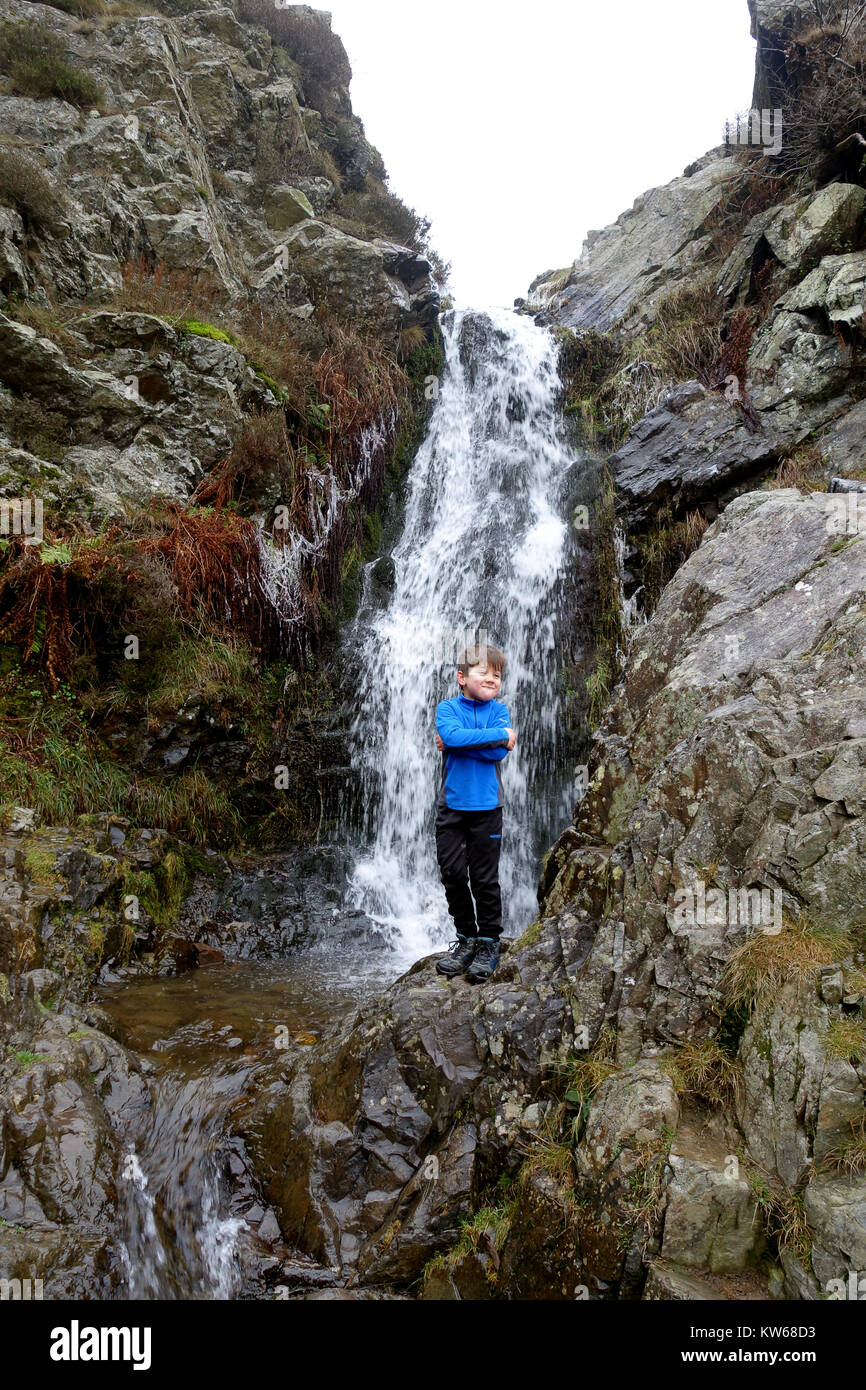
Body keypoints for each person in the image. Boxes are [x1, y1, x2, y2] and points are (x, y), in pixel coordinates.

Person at [433, 642, 516, 983]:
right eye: (483, 673)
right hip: (451, 806)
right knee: (452, 873)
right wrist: (501, 737)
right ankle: (465, 938)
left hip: (487, 808)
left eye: (497, 675)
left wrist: (462, 743)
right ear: (461, 677)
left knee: (484, 878)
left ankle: (488, 942)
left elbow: (495, 757)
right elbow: (450, 736)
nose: (492, 679)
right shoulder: (447, 708)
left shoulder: (500, 710)